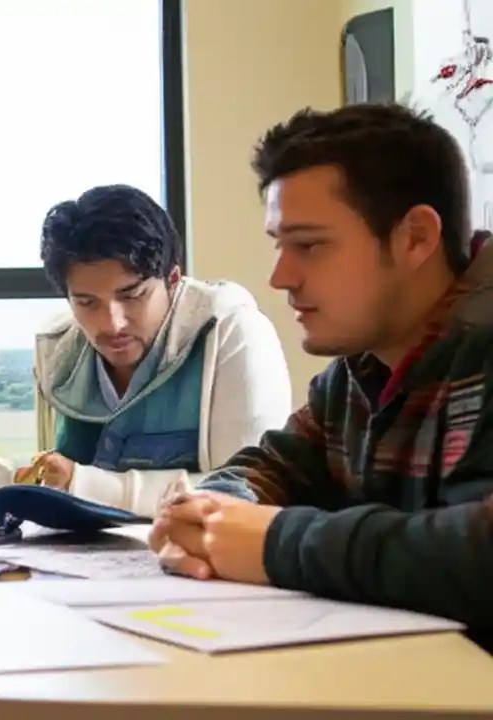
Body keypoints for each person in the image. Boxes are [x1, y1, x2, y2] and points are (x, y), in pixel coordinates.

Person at [151, 104, 493, 646]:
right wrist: (210, 513)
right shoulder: (358, 368)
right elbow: (273, 464)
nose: (280, 276)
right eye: (278, 243)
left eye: (309, 245)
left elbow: (479, 556)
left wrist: (275, 543)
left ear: (416, 238)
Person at [0, 185, 291, 516]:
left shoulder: (233, 334)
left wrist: (82, 484)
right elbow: (56, 469)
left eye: (132, 295)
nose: (111, 323)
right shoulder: (60, 350)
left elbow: (246, 491)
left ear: (173, 278)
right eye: (87, 302)